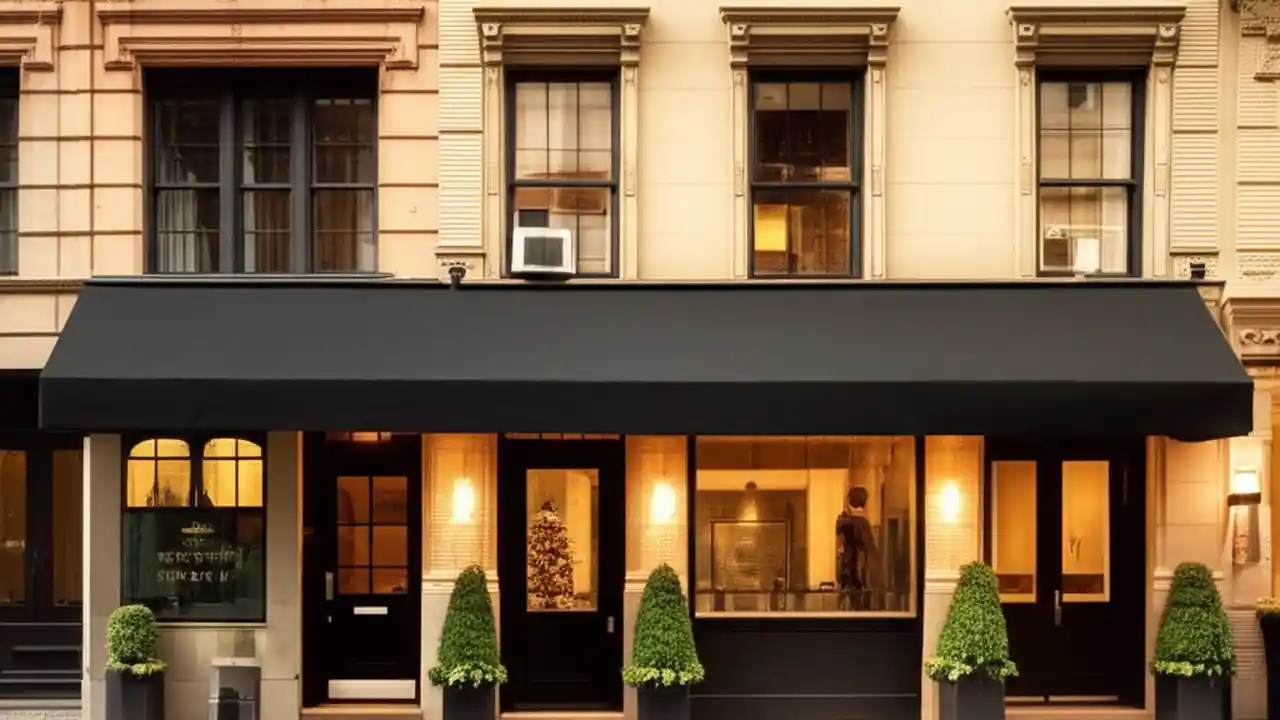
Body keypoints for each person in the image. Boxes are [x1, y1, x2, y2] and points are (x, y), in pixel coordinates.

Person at [835, 486, 883, 610]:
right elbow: (867, 549)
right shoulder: (861, 522)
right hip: (859, 571)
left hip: (850, 568)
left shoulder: (844, 520)